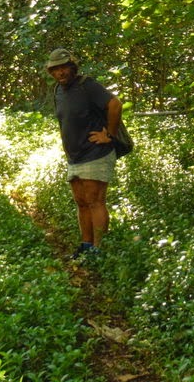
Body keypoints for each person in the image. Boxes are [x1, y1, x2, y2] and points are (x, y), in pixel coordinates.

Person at [46, 47, 122, 259]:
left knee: (95, 201)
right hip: (75, 156)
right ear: (51, 72)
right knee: (81, 202)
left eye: (64, 68)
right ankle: (86, 246)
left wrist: (109, 134)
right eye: (55, 69)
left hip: (96, 153)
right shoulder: (58, 91)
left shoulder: (87, 85)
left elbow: (115, 105)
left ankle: (98, 251)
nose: (60, 73)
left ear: (72, 67)